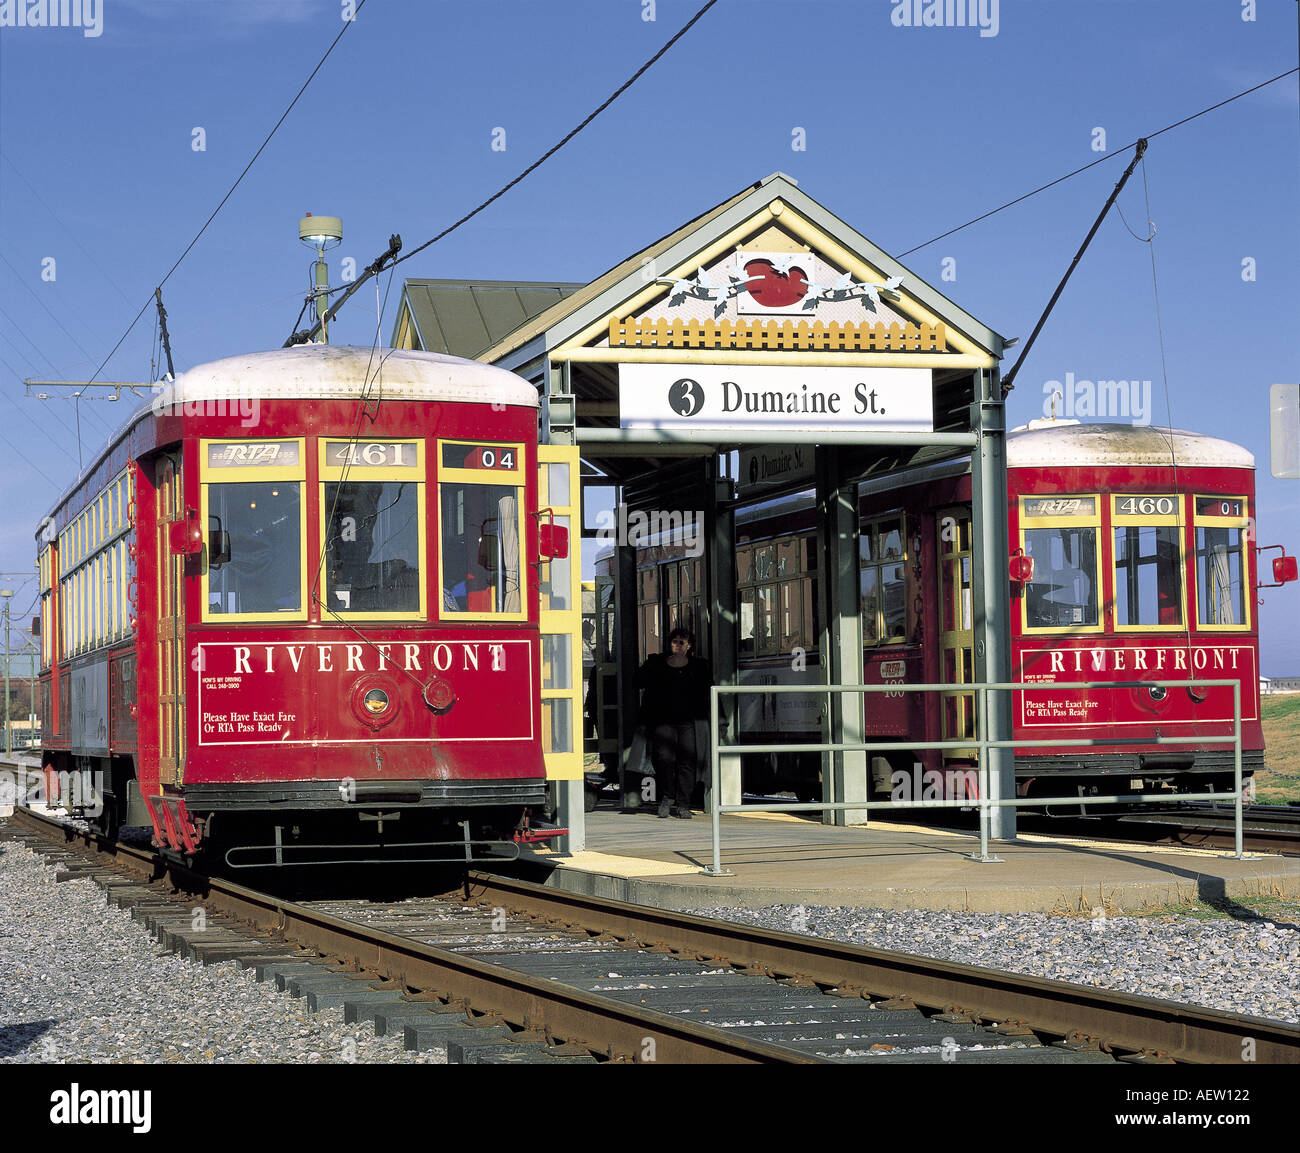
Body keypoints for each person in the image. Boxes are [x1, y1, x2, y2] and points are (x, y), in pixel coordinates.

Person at [637, 627, 711, 819]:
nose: (677, 645)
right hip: (663, 721)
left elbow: (708, 694)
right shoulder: (657, 664)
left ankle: (684, 803)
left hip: (689, 722)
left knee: (688, 762)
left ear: (689, 645)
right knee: (663, 758)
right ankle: (667, 796)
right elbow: (638, 680)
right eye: (674, 641)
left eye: (681, 642)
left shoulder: (699, 666)